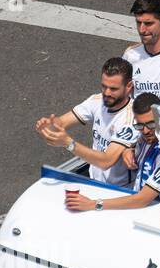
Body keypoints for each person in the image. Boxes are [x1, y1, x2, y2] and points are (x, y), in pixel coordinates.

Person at [63, 94, 160, 212]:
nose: (145, 131)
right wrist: (127, 150)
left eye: (151, 124)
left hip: (155, 214)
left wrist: (93, 205)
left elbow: (142, 199)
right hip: (134, 206)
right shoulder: (141, 135)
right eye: (140, 125)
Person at [36, 58, 139, 188]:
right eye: (104, 86)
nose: (107, 93)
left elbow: (106, 161)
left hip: (119, 190)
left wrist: (69, 143)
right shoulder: (96, 101)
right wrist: (50, 125)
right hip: (93, 182)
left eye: (113, 89)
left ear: (129, 86)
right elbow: (62, 122)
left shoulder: (133, 118)